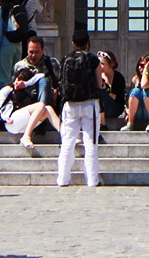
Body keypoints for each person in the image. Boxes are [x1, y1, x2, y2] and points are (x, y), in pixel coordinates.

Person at [0, 37, 62, 151]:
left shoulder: (52, 63)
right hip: (23, 107)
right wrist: (4, 117)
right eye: (31, 52)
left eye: (37, 52)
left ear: (43, 50)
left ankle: (66, 135)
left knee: (47, 103)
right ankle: (27, 135)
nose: (33, 55)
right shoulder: (18, 68)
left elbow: (52, 79)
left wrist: (56, 90)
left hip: (44, 98)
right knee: (42, 106)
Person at [55, 31, 103, 188]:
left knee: (67, 142)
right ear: (87, 43)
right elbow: (99, 84)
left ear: (73, 43)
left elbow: (60, 82)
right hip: (89, 103)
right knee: (90, 143)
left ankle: (62, 179)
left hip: (70, 105)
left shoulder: (65, 59)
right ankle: (92, 180)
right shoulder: (92, 59)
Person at [124, 54, 149, 132]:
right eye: (139, 65)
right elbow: (129, 97)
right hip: (138, 110)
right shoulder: (135, 79)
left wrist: (146, 72)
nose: (139, 68)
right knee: (135, 91)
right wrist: (127, 112)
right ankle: (130, 123)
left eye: (143, 65)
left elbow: (144, 85)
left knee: (147, 91)